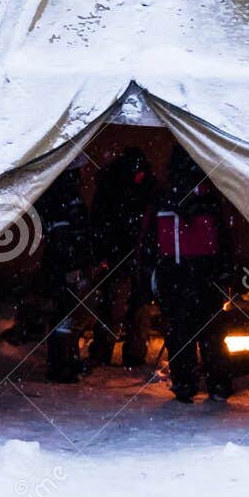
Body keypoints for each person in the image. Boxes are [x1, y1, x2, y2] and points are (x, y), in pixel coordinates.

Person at [147, 145, 235, 403]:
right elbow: (225, 236)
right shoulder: (209, 196)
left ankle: (188, 383)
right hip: (199, 272)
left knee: (183, 332)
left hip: (177, 271)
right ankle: (214, 384)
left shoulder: (163, 196)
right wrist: (225, 270)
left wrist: (150, 269)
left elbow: (148, 237)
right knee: (208, 332)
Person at [86, 146, 158, 366]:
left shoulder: (118, 187)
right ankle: (110, 352)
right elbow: (101, 222)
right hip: (123, 256)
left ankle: (123, 353)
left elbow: (99, 221)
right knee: (118, 306)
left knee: (131, 307)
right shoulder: (121, 189)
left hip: (131, 256)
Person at [35, 160, 92, 383]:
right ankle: (62, 365)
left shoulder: (56, 193)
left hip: (59, 264)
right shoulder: (66, 196)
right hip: (64, 265)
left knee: (64, 315)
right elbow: (65, 235)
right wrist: (72, 266)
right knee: (65, 316)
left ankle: (64, 361)